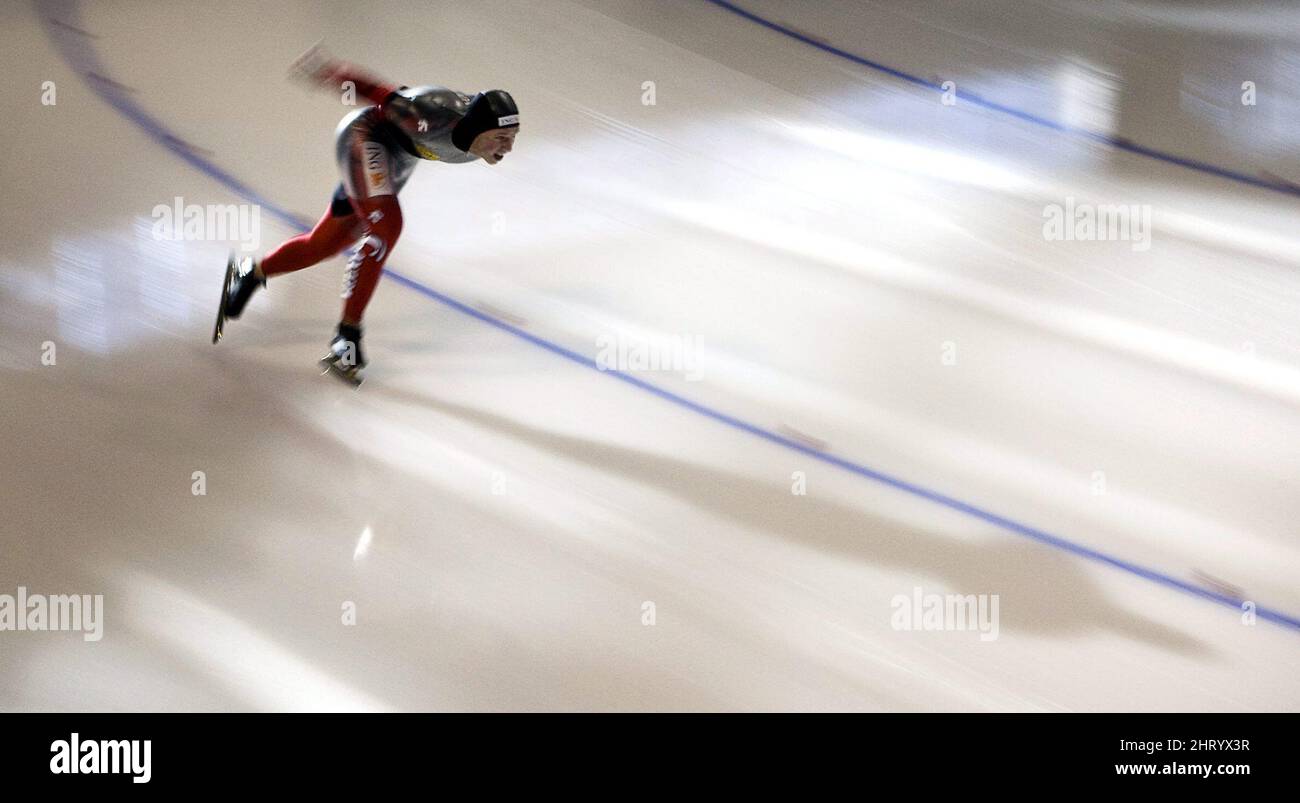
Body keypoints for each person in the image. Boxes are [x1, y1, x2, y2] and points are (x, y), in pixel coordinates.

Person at [212, 45, 519, 384]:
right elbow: (377, 92)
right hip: (365, 139)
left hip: (397, 159)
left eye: (512, 138)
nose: (507, 148)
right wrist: (330, 72)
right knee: (385, 229)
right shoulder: (431, 112)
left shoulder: (478, 142)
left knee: (325, 244)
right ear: (477, 128)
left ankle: (250, 273)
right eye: (501, 138)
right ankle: (347, 337)